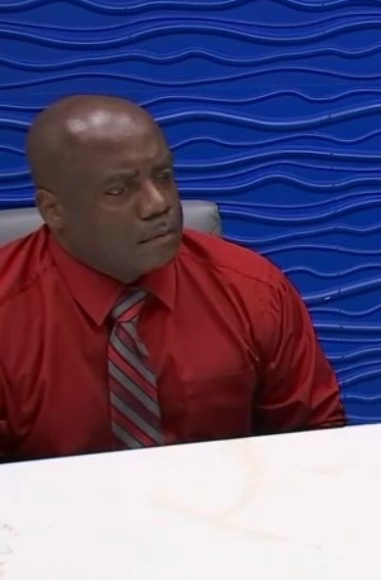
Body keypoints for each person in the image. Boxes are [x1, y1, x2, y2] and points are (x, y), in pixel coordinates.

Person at [0, 95, 347, 462]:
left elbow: (315, 439)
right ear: (53, 209)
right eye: (118, 190)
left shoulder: (253, 289)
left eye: (163, 176)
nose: (157, 203)